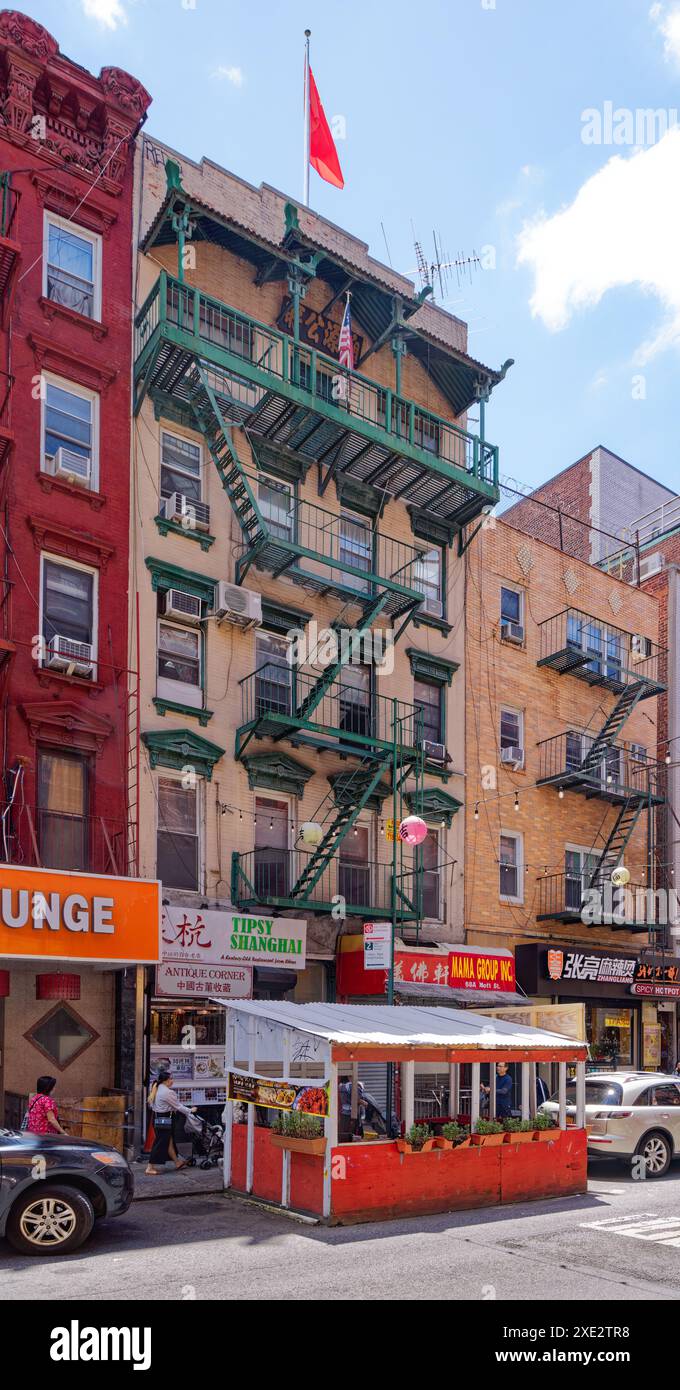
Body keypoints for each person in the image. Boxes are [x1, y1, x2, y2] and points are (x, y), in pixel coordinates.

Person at [145, 1069, 196, 1175]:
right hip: (165, 1119)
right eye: (171, 1079)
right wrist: (190, 1110)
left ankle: (177, 1162)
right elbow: (178, 1106)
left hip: (158, 1118)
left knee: (168, 1142)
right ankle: (150, 1167)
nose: (172, 1081)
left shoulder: (156, 1087)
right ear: (166, 1081)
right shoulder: (167, 1092)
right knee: (160, 1143)